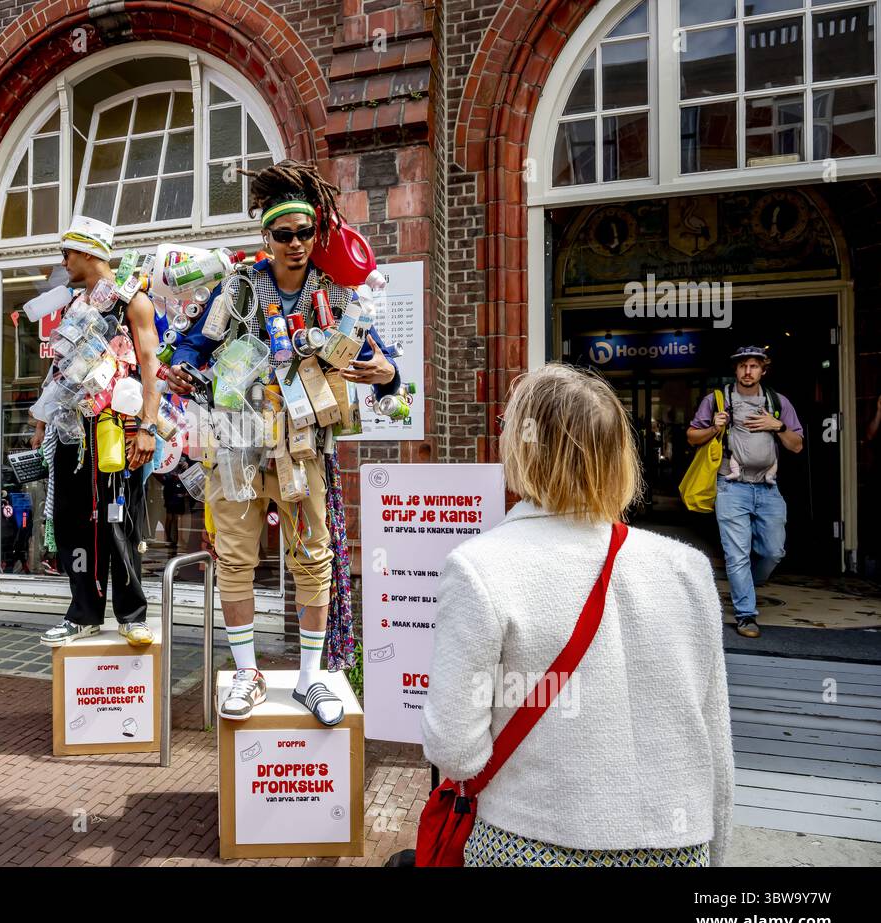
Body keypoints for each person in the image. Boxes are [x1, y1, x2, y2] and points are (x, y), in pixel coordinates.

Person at [422, 364, 734, 866]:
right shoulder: (687, 568)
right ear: (618, 456)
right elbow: (715, 739)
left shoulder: (480, 567)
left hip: (531, 840)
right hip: (677, 844)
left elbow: (455, 749)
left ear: (522, 449)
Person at [167, 160, 401, 726]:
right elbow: (191, 345)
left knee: (312, 558)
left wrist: (383, 374)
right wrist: (178, 369)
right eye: (283, 234)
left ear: (316, 233)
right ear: (265, 236)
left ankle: (310, 678)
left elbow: (388, 368)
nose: (296, 244)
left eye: (304, 232)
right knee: (235, 558)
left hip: (302, 446)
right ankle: (247, 673)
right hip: (237, 441)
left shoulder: (339, 296)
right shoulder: (238, 286)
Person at [31, 216, 161, 647]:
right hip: (72, 429)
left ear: (89, 252)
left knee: (119, 520)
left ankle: (131, 614)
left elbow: (150, 369)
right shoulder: (73, 307)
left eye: (67, 253)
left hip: (117, 430)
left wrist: (146, 427)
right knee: (72, 523)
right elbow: (60, 369)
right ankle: (83, 613)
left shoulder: (133, 302)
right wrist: (42, 420)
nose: (63, 262)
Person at [687, 346, 804, 638]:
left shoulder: (777, 401)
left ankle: (746, 585)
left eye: (754, 366)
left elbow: (797, 445)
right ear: (735, 370)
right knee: (736, 554)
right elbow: (691, 437)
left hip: (768, 488)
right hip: (731, 486)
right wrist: (714, 428)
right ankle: (746, 615)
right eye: (742, 366)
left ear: (763, 370)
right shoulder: (717, 400)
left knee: (774, 551)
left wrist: (777, 425)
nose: (747, 371)